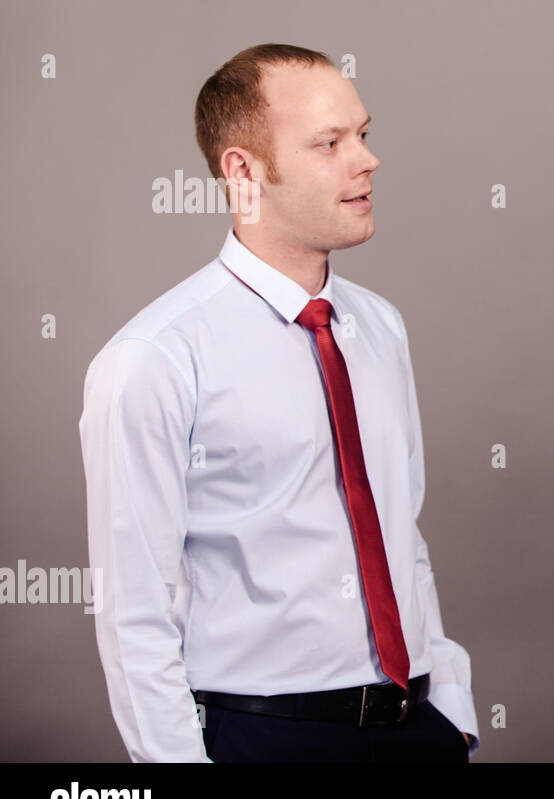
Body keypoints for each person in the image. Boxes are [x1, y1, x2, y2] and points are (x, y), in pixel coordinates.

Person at [78, 43, 478, 762]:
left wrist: (449, 706)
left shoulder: (379, 327)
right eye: (330, 143)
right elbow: (133, 615)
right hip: (264, 737)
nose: (367, 161)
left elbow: (400, 534)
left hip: (415, 728)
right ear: (243, 171)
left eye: (363, 134)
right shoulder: (154, 360)